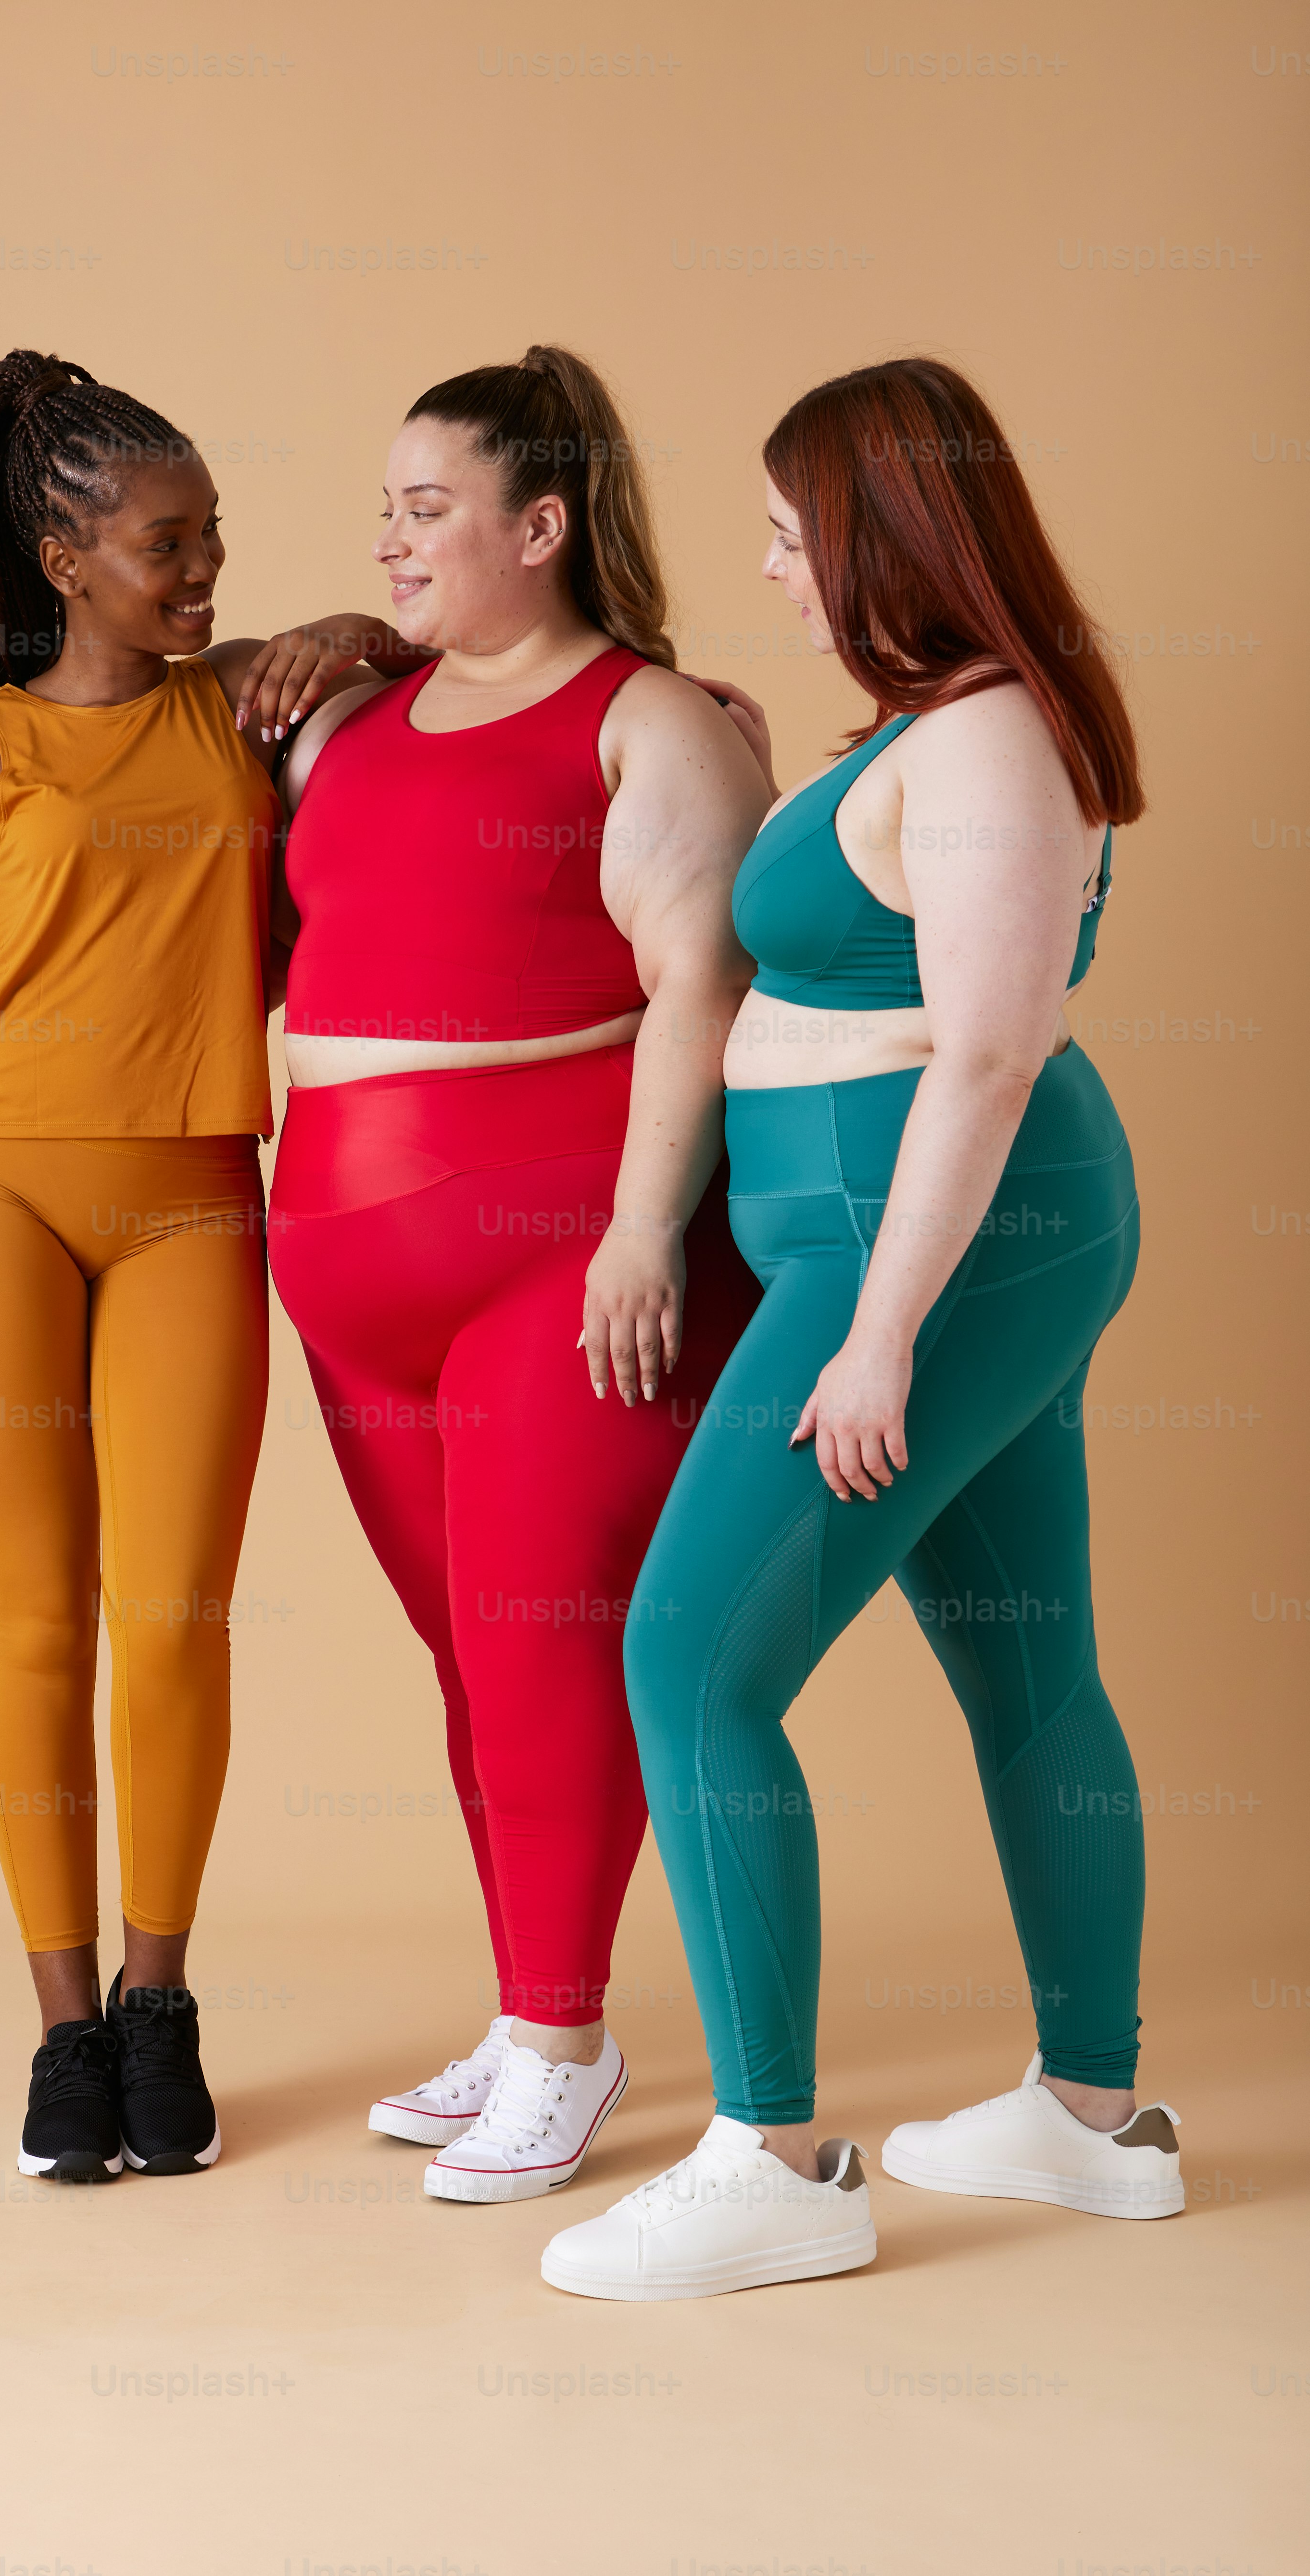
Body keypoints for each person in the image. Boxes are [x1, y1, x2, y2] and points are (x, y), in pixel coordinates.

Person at [542, 357, 1185, 2301]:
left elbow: (988, 1047)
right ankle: (1093, 2117)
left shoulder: (987, 736)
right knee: (1029, 1667)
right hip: (941, 1239)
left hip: (944, 1245)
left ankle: (776, 2152)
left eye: (786, 527)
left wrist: (882, 1327)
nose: (769, 561)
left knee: (688, 1650)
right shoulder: (934, 731)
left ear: (882, 527)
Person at [0, 350, 406, 2184]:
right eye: (170, 543)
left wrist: (344, 624)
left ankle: (162, 2001)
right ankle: (63, 2030)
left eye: (218, 536)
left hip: (194, 1200)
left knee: (175, 1616)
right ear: (64, 554)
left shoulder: (239, 703)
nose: (205, 568)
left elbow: (407, 668)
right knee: (40, 1618)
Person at [256, 348, 771, 2205]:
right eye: (382, 509)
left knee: (549, 1653)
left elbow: (703, 982)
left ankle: (560, 2039)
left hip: (559, 1263)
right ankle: (526, 2010)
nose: (388, 540)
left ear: (538, 528)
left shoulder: (651, 722)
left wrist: (644, 1232)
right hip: (349, 1280)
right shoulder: (351, 725)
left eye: (425, 510)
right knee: (471, 1662)